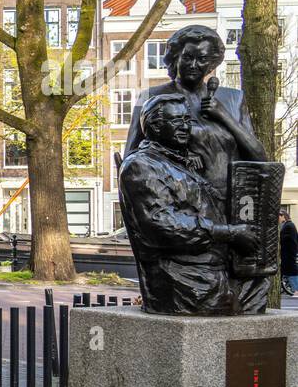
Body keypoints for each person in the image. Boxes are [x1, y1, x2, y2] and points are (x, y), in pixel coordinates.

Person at [119, 94, 258, 314]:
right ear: (154, 127)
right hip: (183, 281)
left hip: (211, 273)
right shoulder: (140, 166)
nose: (185, 127)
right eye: (176, 121)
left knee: (259, 289)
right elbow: (163, 224)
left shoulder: (181, 162)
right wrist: (229, 233)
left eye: (187, 121)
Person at [280, 210, 298, 296]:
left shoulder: (288, 226)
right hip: (289, 254)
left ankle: (296, 290)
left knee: (291, 272)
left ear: (283, 216)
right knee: (288, 272)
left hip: (289, 254)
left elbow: (286, 240)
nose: (278, 219)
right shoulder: (289, 225)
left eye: (279, 217)